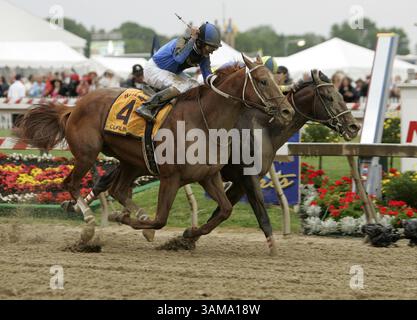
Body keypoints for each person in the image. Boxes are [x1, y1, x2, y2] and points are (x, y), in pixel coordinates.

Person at [136, 21, 222, 122]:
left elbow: (207, 74)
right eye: (210, 47)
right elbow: (179, 58)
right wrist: (193, 39)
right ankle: (146, 107)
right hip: (154, 69)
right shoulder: (181, 41)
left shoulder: (204, 55)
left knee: (195, 85)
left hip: (171, 72)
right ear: (200, 42)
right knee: (181, 86)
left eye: (214, 48)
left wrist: (216, 80)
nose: (211, 51)